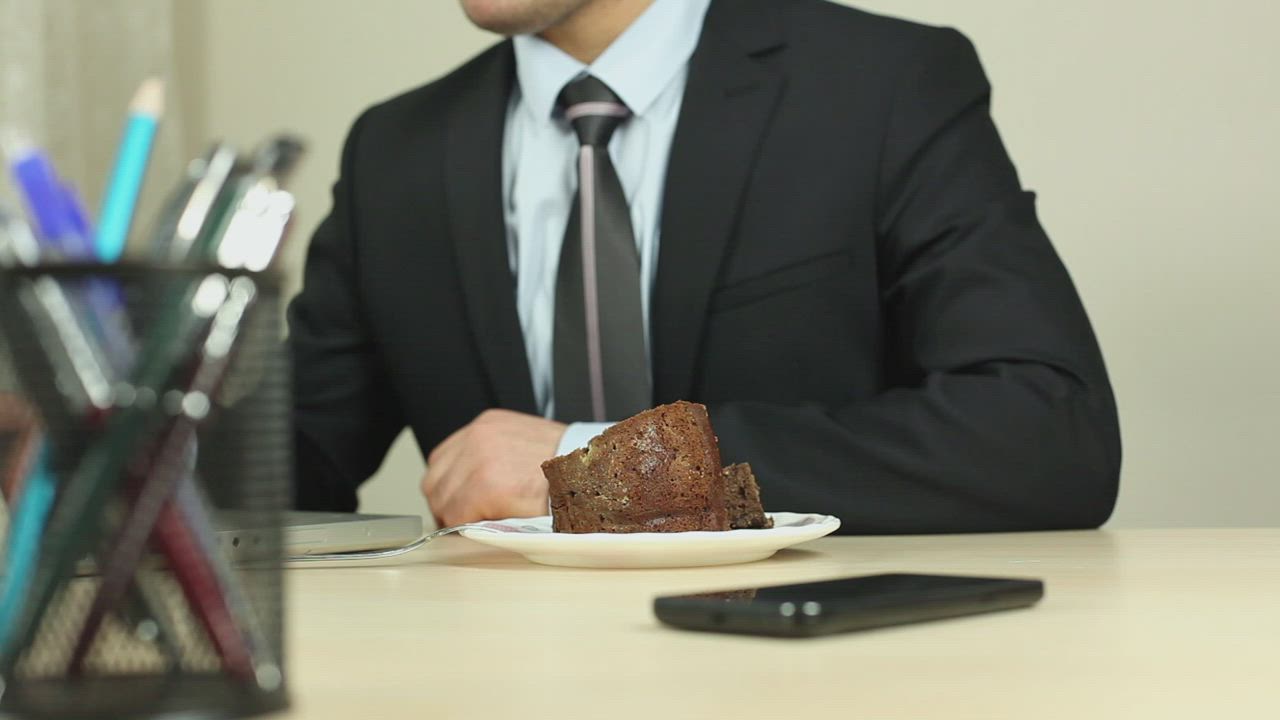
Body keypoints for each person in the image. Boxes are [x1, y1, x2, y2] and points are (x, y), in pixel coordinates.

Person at [289, 0, 1122, 534]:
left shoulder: (882, 86)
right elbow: (279, 466)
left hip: (818, 682)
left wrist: (593, 465)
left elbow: (1049, 434)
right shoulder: (392, 154)